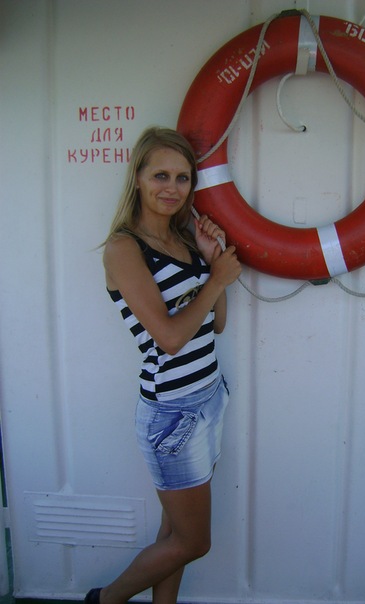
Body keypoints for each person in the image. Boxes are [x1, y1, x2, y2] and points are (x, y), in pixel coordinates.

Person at [85, 127, 241, 604]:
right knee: (194, 542)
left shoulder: (183, 240)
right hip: (173, 412)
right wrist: (217, 280)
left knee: (174, 531)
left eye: (182, 177)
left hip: (209, 397)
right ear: (138, 177)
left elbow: (216, 325)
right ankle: (105, 600)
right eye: (160, 176)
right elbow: (170, 339)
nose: (172, 188)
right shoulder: (123, 249)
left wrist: (211, 262)